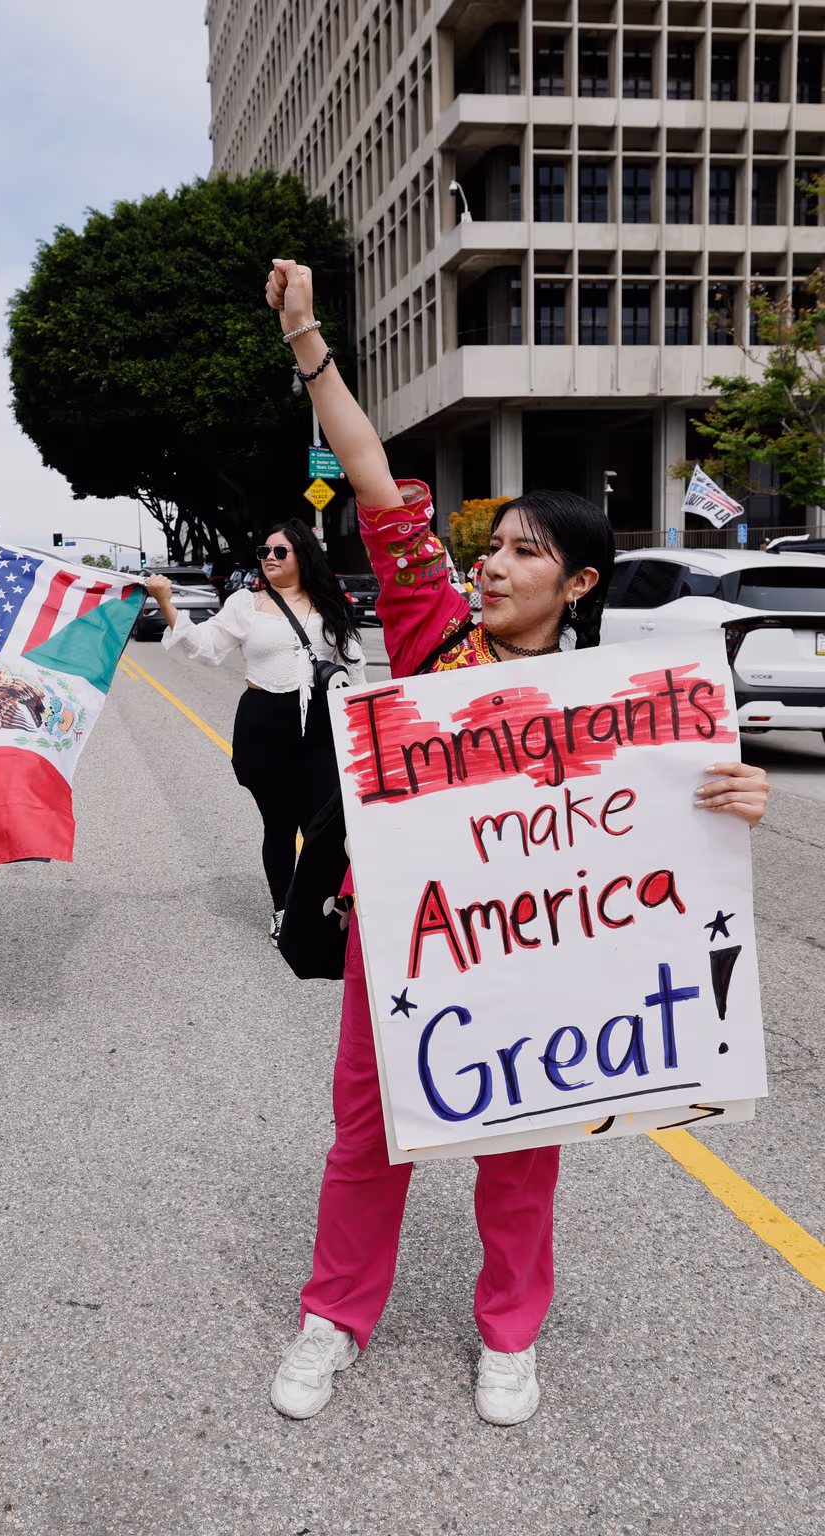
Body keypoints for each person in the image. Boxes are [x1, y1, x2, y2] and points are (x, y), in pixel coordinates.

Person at [263, 258, 771, 1425]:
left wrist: (738, 795)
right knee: (367, 1137)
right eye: (490, 545)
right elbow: (372, 474)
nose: (490, 563)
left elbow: (689, 810)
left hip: (540, 967)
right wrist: (308, 344)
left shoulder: (620, 698)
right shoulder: (433, 630)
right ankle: (333, 1318)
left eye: (525, 552)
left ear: (579, 581)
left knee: (522, 1150)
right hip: (401, 948)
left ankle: (510, 1334)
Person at [147, 520, 366, 945]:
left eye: (279, 552)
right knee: (280, 824)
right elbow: (205, 648)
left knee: (321, 825)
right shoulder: (245, 604)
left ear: (302, 555)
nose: (268, 559)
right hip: (263, 723)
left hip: (319, 725)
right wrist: (166, 602)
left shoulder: (330, 604)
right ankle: (284, 910)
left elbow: (353, 665)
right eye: (264, 552)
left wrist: (360, 723)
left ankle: (327, 906)